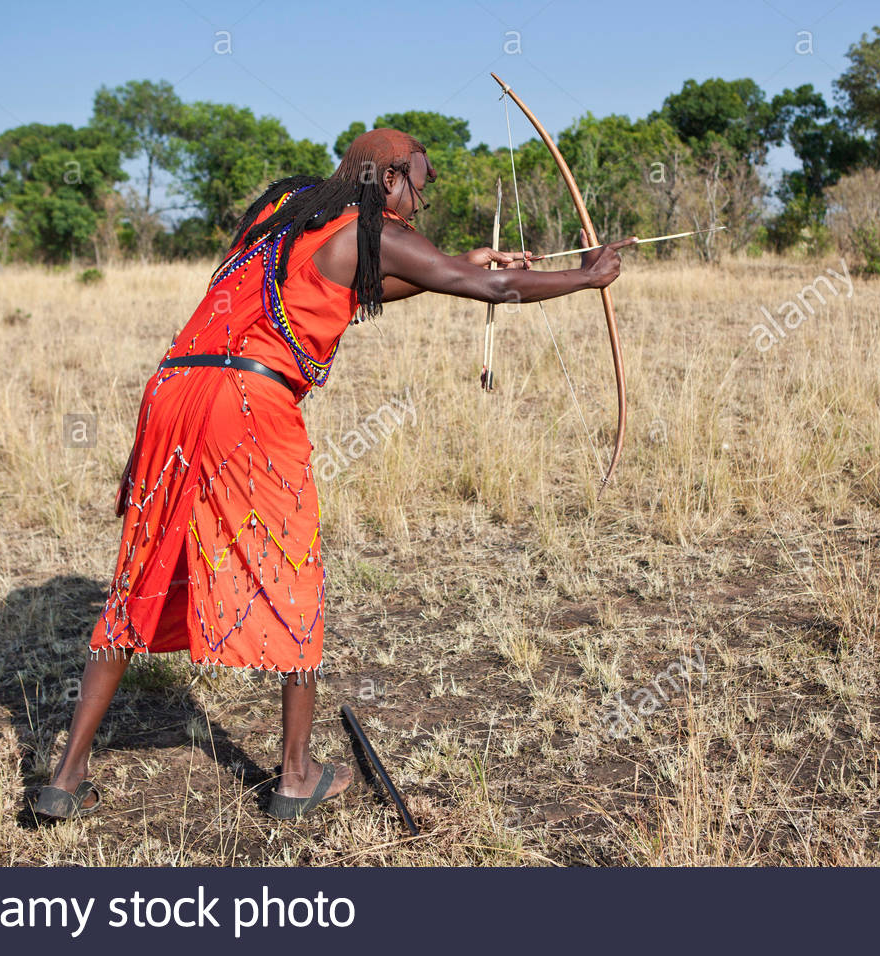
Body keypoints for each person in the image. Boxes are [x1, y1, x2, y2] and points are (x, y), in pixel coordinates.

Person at [33, 128, 632, 822]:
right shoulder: (371, 225)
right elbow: (489, 286)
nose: (421, 202)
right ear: (388, 179)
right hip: (248, 403)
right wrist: (585, 277)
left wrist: (453, 261)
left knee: (139, 576)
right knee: (293, 569)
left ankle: (66, 776)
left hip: (173, 392)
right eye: (420, 184)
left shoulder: (287, 210)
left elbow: (359, 278)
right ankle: (295, 775)